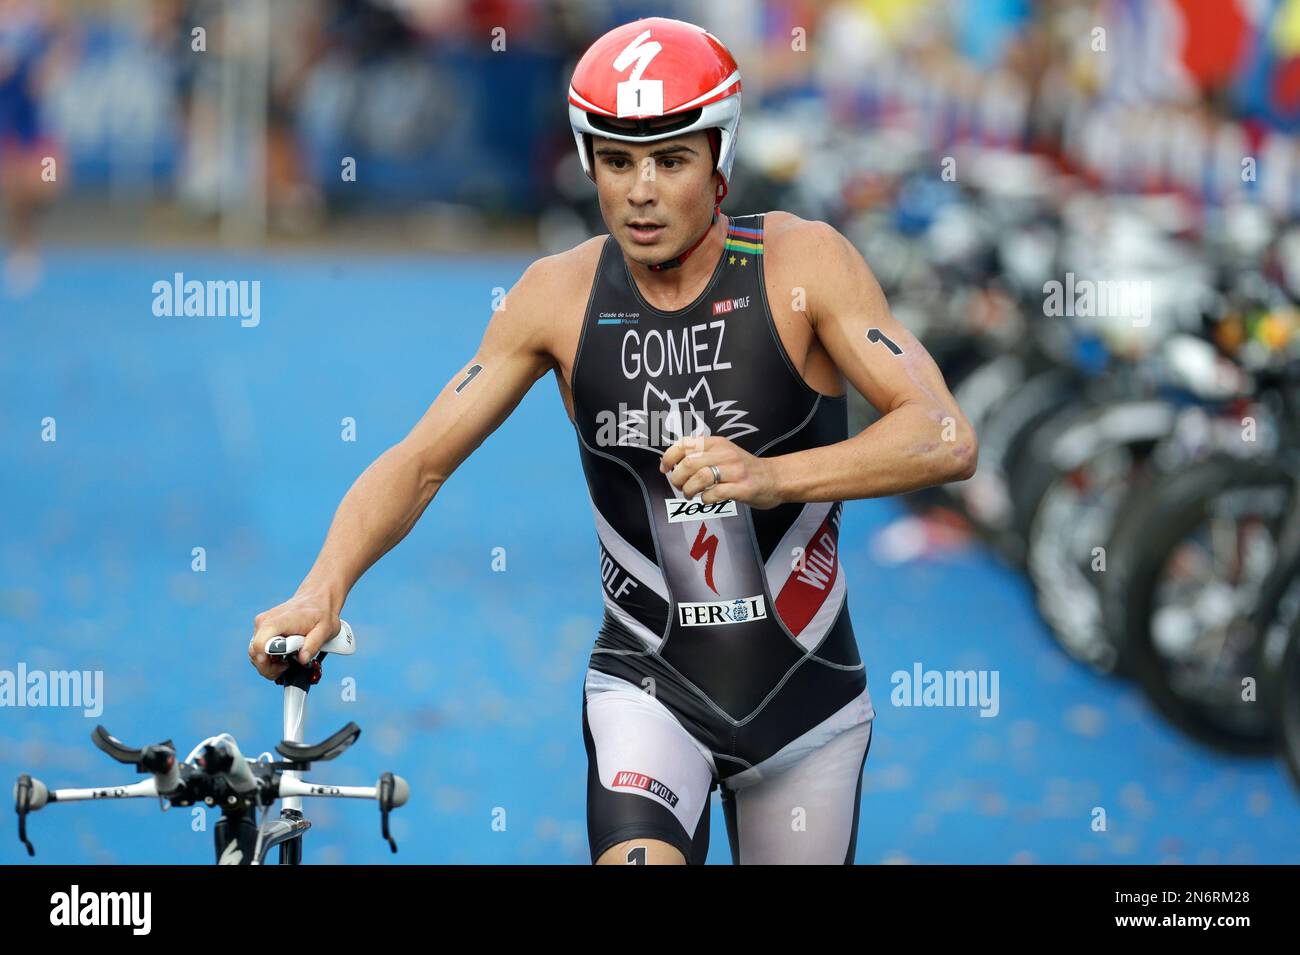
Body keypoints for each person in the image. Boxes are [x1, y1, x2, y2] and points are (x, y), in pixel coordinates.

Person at [249, 16, 977, 865]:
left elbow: (944, 435)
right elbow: (421, 459)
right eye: (617, 160)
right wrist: (321, 586)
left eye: (671, 160)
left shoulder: (803, 264)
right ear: (587, 162)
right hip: (648, 689)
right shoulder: (555, 295)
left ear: (720, 163)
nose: (641, 189)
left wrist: (772, 476)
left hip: (806, 704)